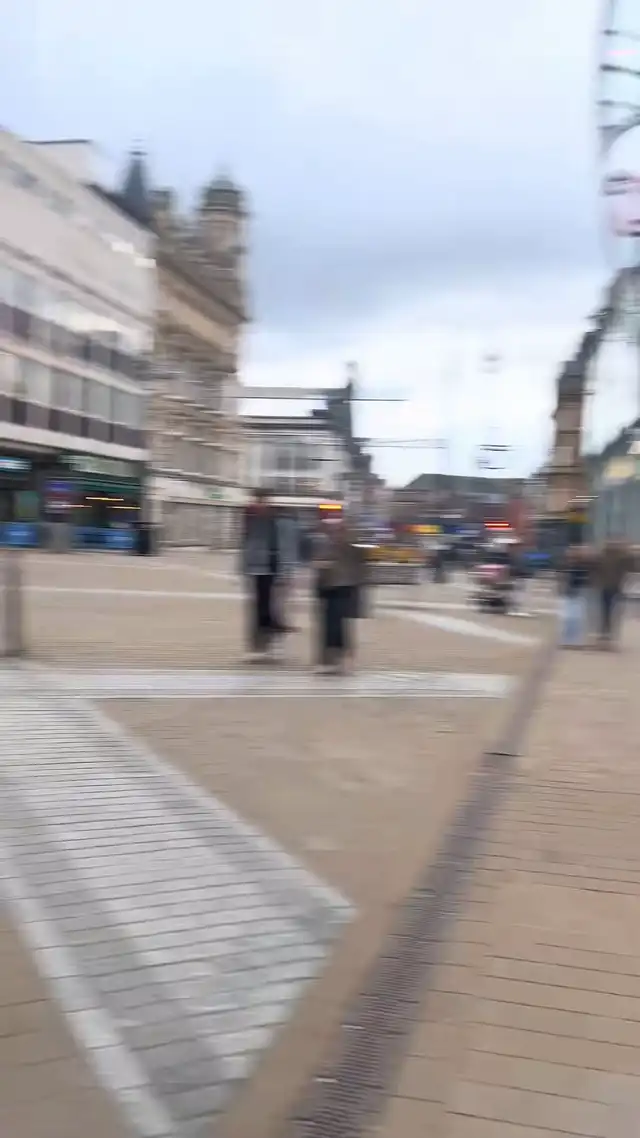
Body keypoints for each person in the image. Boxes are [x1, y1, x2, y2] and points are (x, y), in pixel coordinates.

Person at [239, 488, 297, 661]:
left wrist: (286, 570)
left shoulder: (278, 520)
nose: (257, 504)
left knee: (274, 608)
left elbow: (286, 546)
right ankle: (259, 646)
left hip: (274, 569)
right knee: (259, 609)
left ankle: (272, 644)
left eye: (260, 500)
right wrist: (244, 566)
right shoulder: (251, 517)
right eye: (255, 500)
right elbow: (247, 544)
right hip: (258, 569)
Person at [313, 513, 362, 674]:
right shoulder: (326, 546)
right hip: (329, 589)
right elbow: (320, 567)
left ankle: (338, 657)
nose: (334, 533)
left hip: (342, 589)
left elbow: (357, 571)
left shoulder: (350, 548)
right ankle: (331, 658)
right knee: (329, 625)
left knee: (337, 625)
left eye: (337, 530)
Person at [593, 538, 632, 648]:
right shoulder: (621, 557)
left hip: (608, 587)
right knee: (613, 612)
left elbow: (596, 571)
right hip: (614, 587)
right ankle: (609, 633)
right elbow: (630, 568)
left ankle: (605, 633)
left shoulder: (603, 557)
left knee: (606, 611)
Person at [558, 543, 592, 648]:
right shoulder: (568, 565)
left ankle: (574, 640)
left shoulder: (582, 566)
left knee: (574, 618)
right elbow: (563, 579)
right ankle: (569, 640)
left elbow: (586, 580)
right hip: (572, 593)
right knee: (570, 618)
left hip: (578, 593)